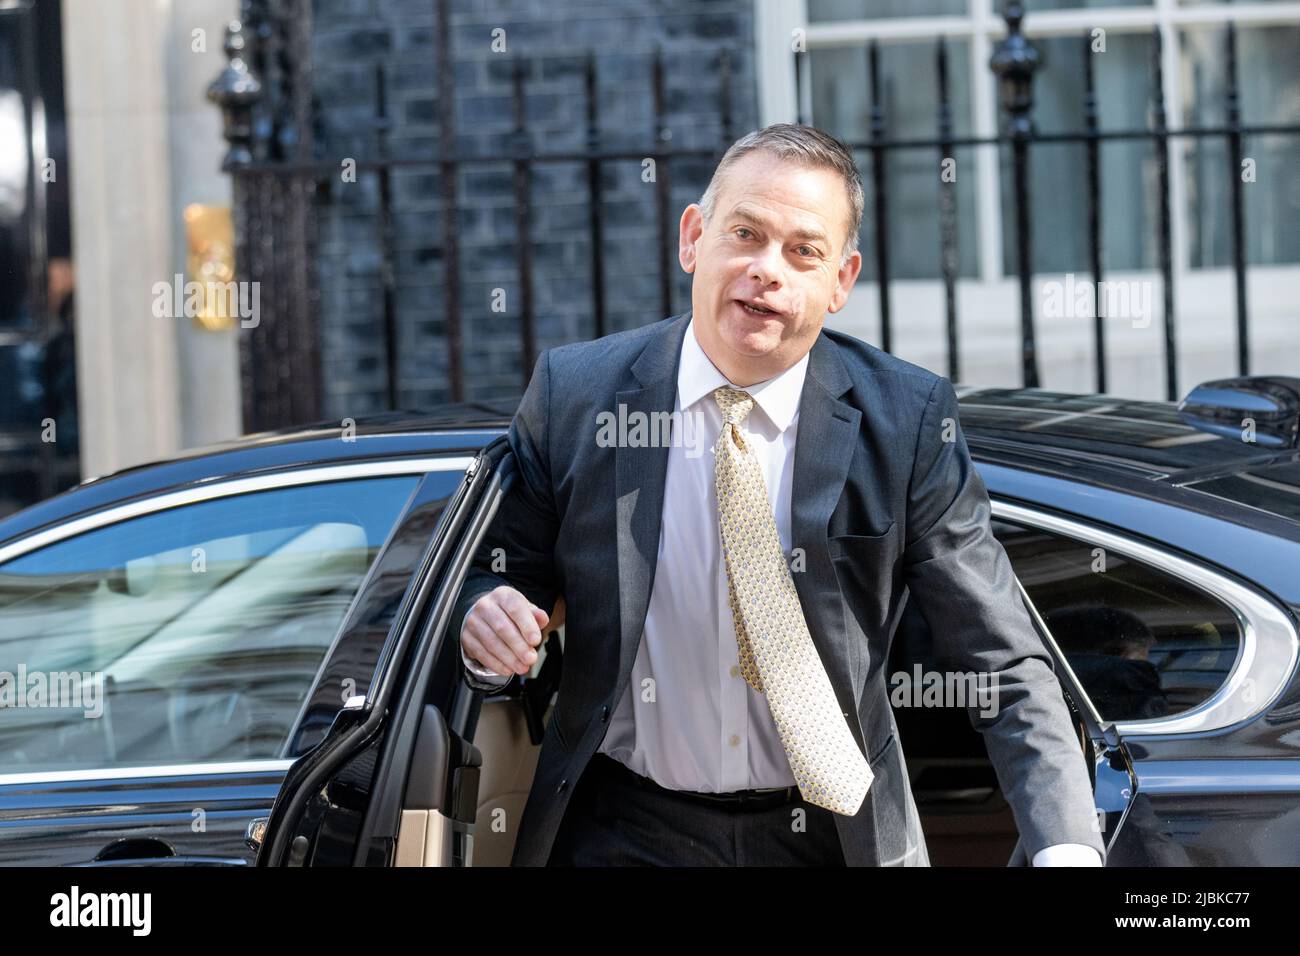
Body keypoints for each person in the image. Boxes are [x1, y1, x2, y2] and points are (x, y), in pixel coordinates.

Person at [453, 123, 1105, 867]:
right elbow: (497, 571)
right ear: (693, 238)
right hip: (622, 829)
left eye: (804, 251)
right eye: (746, 233)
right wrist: (485, 614)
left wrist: (1066, 848)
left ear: (841, 281)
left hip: (837, 835)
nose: (768, 270)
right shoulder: (578, 396)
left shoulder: (908, 421)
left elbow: (1002, 656)